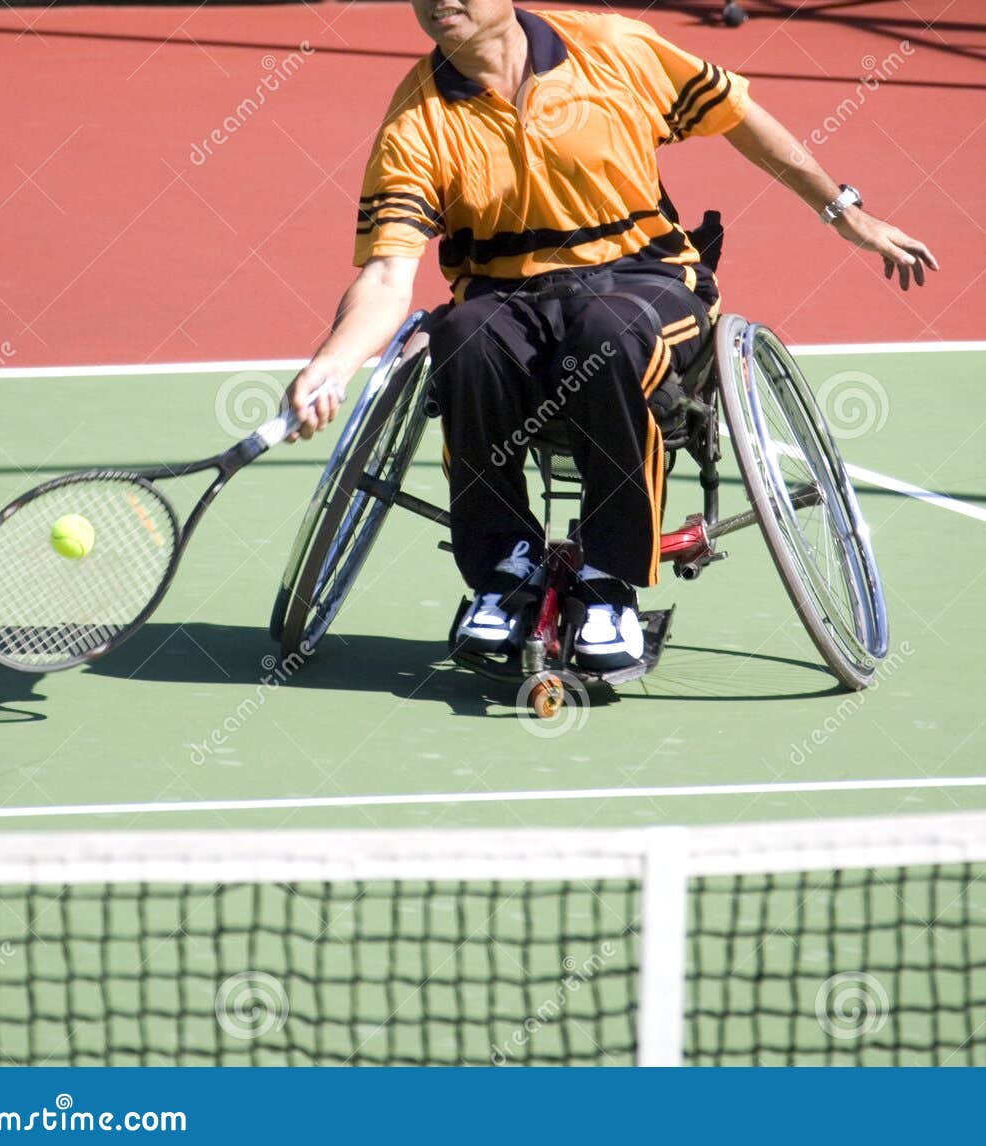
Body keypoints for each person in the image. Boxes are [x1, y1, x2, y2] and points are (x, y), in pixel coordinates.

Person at [288, 0, 936, 671]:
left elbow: (738, 115)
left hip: (643, 281)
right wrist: (331, 365)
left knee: (606, 330)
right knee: (461, 333)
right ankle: (505, 568)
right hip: (506, 300)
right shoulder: (416, 116)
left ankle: (608, 577)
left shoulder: (612, 47)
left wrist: (842, 211)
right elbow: (387, 275)